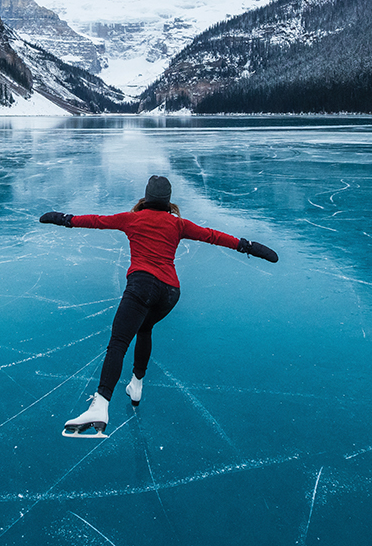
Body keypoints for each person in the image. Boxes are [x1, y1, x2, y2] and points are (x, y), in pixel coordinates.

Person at [39, 174, 278, 436]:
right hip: (170, 294)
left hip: (142, 286)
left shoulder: (132, 218)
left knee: (119, 342)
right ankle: (136, 384)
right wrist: (249, 246)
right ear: (167, 200)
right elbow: (213, 236)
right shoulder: (178, 224)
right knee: (144, 328)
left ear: (147, 198)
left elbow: (97, 221)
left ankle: (101, 404)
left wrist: (64, 219)